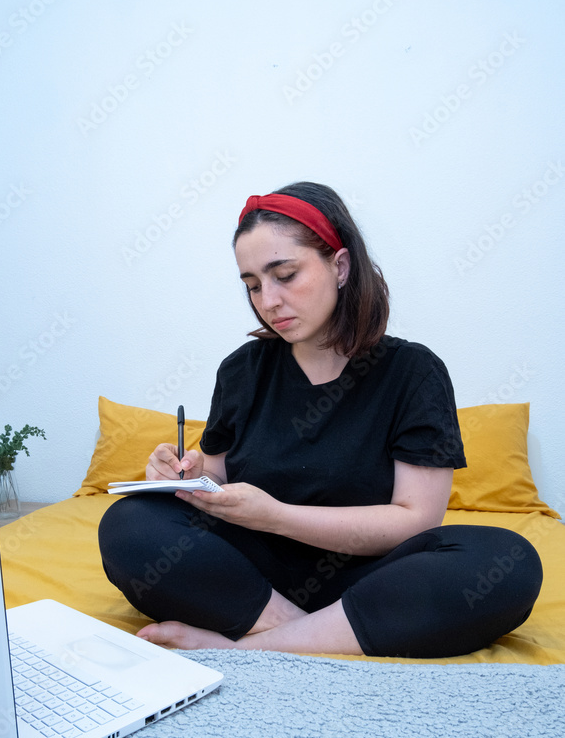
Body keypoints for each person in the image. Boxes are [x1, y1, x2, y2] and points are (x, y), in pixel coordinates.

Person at [98, 181, 542, 658]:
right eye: (252, 285)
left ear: (341, 265)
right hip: (251, 577)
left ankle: (244, 648)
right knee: (130, 524)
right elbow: (215, 478)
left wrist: (278, 516)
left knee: (508, 562)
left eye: (285, 275)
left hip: (370, 576)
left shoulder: (413, 372)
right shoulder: (242, 370)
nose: (267, 301)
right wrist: (180, 476)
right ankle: (316, 635)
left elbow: (416, 521)